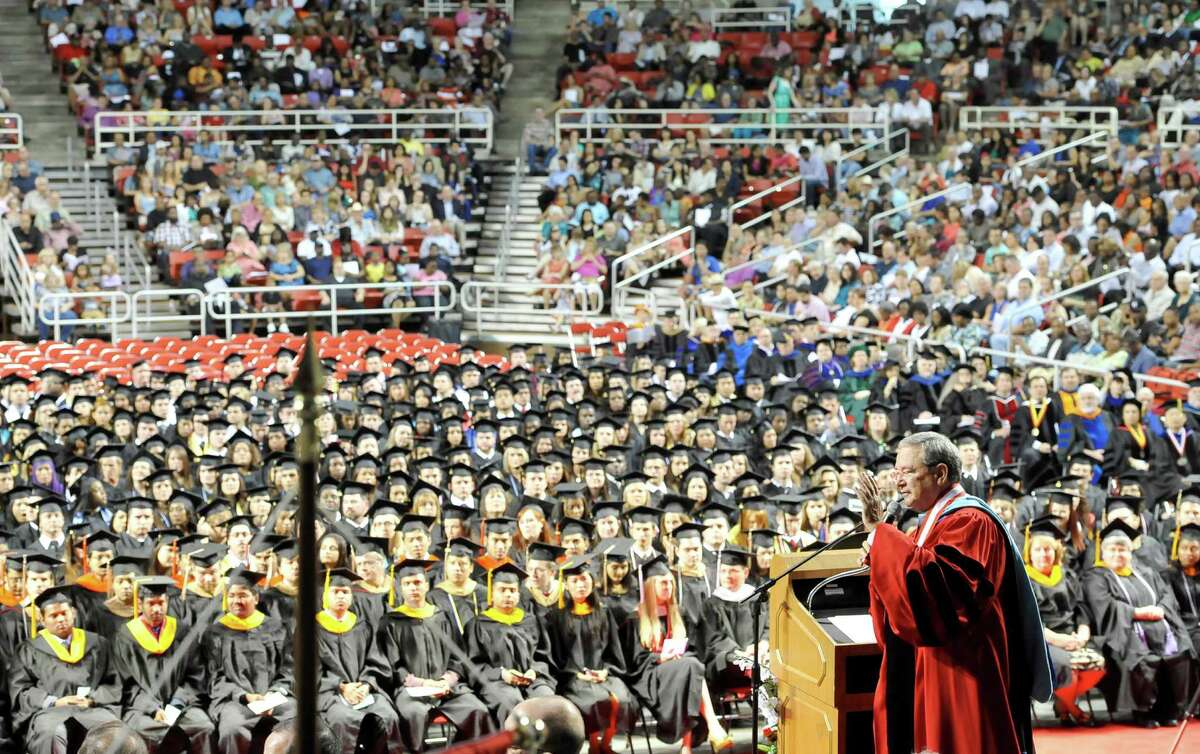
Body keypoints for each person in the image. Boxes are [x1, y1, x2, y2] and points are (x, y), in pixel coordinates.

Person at [858, 432, 1052, 754]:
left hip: (965, 670)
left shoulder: (971, 521)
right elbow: (908, 585)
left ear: (940, 474)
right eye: (896, 473)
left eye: (906, 472)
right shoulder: (926, 526)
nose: (898, 482)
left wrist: (883, 539)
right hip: (939, 666)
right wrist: (881, 551)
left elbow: (944, 593)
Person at [1083, 519, 1195, 727]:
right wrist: (1137, 612)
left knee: (1182, 650)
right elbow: (1105, 606)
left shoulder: (1146, 572)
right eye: (1113, 550)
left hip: (1160, 627)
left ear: (1130, 552)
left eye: (1123, 550)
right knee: (1142, 657)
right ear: (1103, 553)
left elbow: (1166, 595)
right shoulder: (1096, 577)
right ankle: (1144, 712)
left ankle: (1169, 710)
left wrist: (1161, 609)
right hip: (1124, 631)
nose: (1118, 554)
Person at [377, 559, 493, 752]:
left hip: (447, 689)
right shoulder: (391, 622)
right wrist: (424, 684)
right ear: (400, 588)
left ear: (426, 585)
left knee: (476, 709)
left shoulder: (442, 617)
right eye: (407, 584)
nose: (413, 588)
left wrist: (445, 681)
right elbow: (394, 665)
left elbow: (458, 656)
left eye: (417, 583)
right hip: (411, 691)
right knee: (413, 713)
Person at [9, 586, 122, 754]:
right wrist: (54, 701)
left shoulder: (97, 643)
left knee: (114, 733)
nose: (61, 619)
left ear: (74, 613)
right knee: (54, 733)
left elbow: (112, 682)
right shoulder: (29, 649)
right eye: (54, 616)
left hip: (92, 709)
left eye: (64, 613)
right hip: (50, 712)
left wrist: (92, 699)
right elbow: (21, 690)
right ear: (42, 620)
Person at [542, 554, 634, 752]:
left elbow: (613, 650)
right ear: (565, 585)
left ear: (592, 582)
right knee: (593, 700)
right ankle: (594, 745)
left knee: (620, 698)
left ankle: (606, 743)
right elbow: (556, 656)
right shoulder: (556, 617)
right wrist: (576, 674)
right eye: (574, 581)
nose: (580, 585)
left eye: (584, 579)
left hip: (602, 674)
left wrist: (606, 671)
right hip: (573, 678)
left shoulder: (603, 612)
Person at [112, 576, 215, 754]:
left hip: (183, 705)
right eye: (151, 603)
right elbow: (126, 683)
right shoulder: (126, 636)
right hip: (142, 708)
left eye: (161, 602)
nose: (157, 609)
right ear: (140, 603)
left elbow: (196, 675)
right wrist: (153, 709)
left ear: (167, 601)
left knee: (204, 726)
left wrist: (178, 702)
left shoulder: (182, 631)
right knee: (141, 730)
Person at [1022, 516, 1105, 726]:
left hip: (1071, 635)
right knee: (1066, 666)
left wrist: (1084, 633)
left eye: (1048, 550)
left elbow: (1081, 608)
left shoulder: (1067, 575)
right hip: (1043, 639)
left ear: (1056, 552)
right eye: (1038, 550)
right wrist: (1057, 639)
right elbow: (1026, 621)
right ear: (1029, 553)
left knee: (1098, 663)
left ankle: (1061, 705)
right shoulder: (1023, 579)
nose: (1043, 555)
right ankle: (1075, 710)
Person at [204, 568, 295, 754]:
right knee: (232, 728)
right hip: (234, 701)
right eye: (231, 596)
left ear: (256, 598)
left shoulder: (276, 627)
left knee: (299, 721)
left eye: (243, 595)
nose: (237, 601)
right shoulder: (215, 632)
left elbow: (289, 669)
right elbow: (214, 678)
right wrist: (244, 696)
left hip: (275, 698)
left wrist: (273, 694)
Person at [315, 568, 404, 754]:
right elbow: (307, 672)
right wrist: (341, 687)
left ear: (352, 596)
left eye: (345, 592)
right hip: (329, 694)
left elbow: (376, 662)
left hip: (364, 692)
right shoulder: (313, 628)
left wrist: (366, 684)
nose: (341, 596)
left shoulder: (362, 625)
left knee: (387, 716)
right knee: (343, 719)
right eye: (335, 592)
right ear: (325, 595)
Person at [465, 562, 555, 724]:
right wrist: (502, 674)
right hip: (497, 682)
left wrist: (534, 672)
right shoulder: (478, 624)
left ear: (519, 595)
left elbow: (543, 657)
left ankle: (546, 746)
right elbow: (473, 664)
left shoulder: (530, 621)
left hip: (531, 681)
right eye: (502, 590)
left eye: (513, 590)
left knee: (547, 699)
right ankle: (514, 747)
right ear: (491, 594)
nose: (508, 595)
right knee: (511, 702)